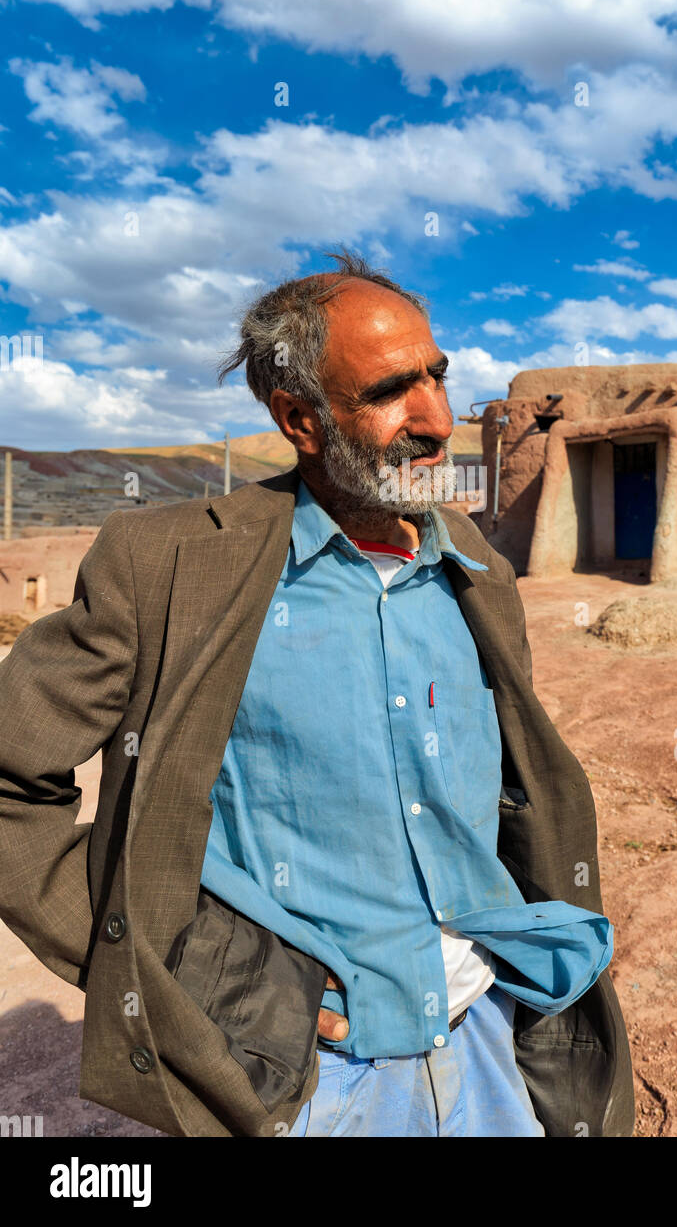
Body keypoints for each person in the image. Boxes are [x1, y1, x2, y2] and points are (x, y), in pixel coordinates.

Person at [0, 249, 634, 1137]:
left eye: (439, 377)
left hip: (494, 1036)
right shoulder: (171, 567)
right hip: (310, 1082)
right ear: (300, 418)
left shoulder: (477, 571)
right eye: (389, 393)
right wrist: (167, 973)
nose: (439, 420)